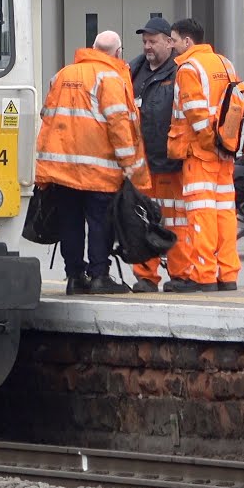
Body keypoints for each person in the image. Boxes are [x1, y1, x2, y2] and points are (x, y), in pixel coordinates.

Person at [36, 31, 151, 295]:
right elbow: (119, 126)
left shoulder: (63, 74)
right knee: (101, 223)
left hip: (62, 168)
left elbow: (47, 115)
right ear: (118, 52)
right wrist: (131, 168)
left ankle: (75, 277)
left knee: (71, 223)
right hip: (98, 168)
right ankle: (100, 276)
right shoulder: (110, 78)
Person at [166, 18, 239, 293]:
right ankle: (228, 274)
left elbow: (196, 115)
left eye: (173, 40)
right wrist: (224, 144)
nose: (171, 46)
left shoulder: (188, 68)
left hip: (200, 153)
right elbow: (235, 106)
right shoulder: (225, 64)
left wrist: (209, 144)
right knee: (225, 213)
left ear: (187, 42)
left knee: (201, 215)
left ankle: (204, 275)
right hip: (225, 152)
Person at [126, 16, 190, 293]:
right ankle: (145, 276)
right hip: (141, 162)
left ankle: (181, 274)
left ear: (169, 42)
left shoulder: (179, 72)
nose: (148, 46)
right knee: (142, 220)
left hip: (170, 162)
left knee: (175, 220)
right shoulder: (133, 71)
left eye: (153, 41)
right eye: (144, 42)